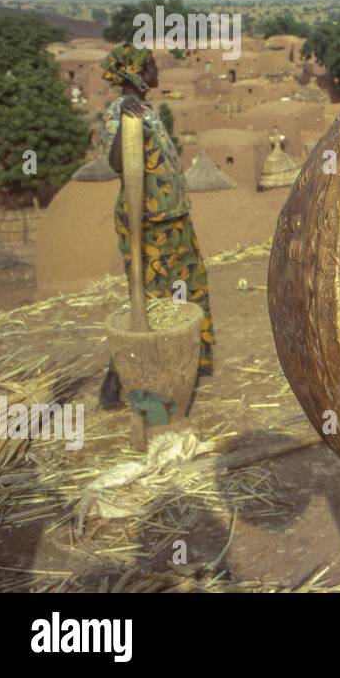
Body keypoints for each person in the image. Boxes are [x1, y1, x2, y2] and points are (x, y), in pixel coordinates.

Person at [98, 43, 215, 408]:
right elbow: (118, 162)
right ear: (135, 73)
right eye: (150, 66)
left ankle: (187, 362)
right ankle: (121, 378)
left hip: (173, 216)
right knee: (146, 299)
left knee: (187, 289)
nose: (157, 72)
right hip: (146, 222)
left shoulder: (147, 110)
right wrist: (126, 124)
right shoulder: (121, 111)